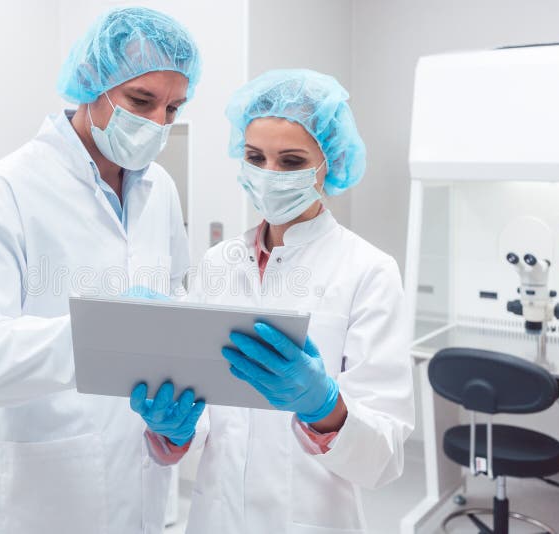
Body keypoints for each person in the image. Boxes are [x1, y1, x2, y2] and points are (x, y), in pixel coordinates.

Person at [0, 7, 201, 533]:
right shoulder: (6, 188)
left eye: (172, 108)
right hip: (40, 496)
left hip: (143, 486)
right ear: (91, 86)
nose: (157, 123)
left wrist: (175, 424)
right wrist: (100, 336)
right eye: (141, 101)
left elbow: (173, 313)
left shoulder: (158, 189)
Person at [130, 69, 414, 533]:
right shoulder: (219, 262)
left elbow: (384, 458)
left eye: (291, 160)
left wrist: (325, 409)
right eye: (255, 157)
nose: (269, 175)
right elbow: (206, 413)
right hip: (215, 517)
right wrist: (176, 428)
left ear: (330, 161)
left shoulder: (368, 271)